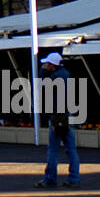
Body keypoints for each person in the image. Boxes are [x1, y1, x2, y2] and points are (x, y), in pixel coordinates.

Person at [36, 52, 80, 188]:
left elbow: (41, 85)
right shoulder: (66, 74)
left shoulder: (55, 77)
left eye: (47, 64)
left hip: (57, 115)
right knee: (71, 149)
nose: (45, 65)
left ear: (52, 65)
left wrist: (42, 71)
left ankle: (50, 178)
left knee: (53, 149)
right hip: (68, 114)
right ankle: (74, 178)